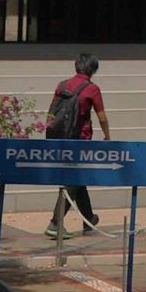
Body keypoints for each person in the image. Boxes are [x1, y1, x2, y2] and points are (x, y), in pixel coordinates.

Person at [44, 54, 111, 239]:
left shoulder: (62, 85)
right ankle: (55, 223)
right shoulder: (92, 89)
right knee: (74, 179)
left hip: (60, 139)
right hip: (80, 140)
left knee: (79, 178)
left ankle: (88, 218)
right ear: (93, 69)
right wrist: (107, 136)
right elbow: (102, 117)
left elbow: (52, 113)